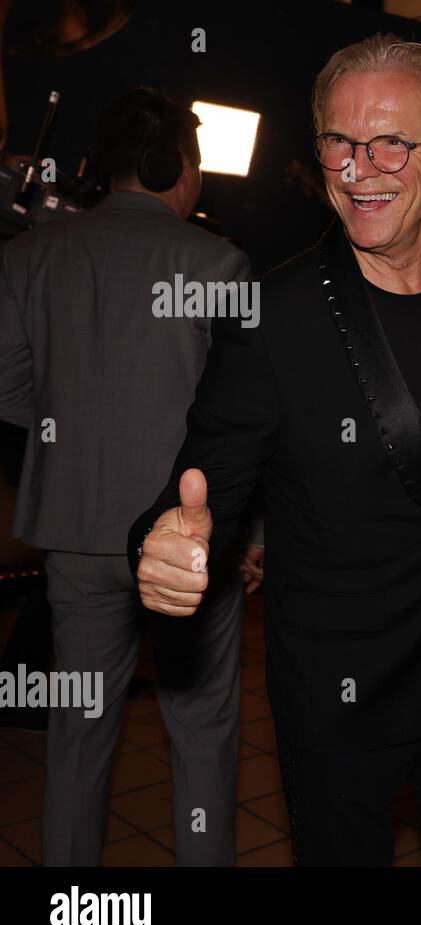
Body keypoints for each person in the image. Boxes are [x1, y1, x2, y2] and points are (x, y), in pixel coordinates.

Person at [128, 35, 421, 865]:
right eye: (340, 140)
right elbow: (200, 492)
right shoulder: (273, 317)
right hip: (344, 699)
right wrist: (164, 544)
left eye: (391, 143)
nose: (357, 166)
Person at [0, 88, 250, 865]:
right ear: (171, 163)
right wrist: (254, 534)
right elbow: (250, 420)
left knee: (77, 736)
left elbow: (7, 386)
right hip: (192, 540)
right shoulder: (219, 262)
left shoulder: (30, 254)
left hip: (74, 535)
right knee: (201, 733)